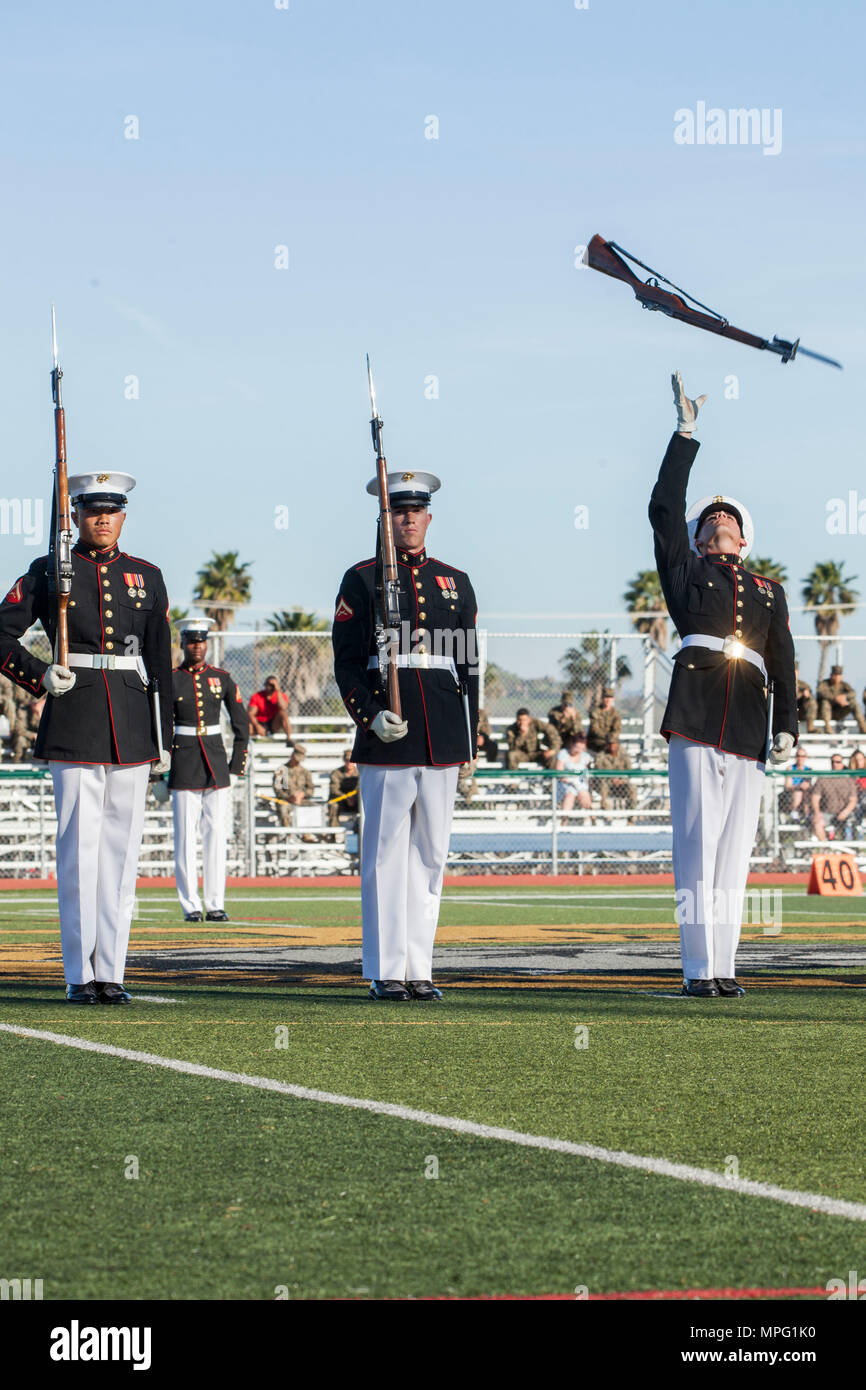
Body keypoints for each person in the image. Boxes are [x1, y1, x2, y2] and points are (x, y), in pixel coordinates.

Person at [649, 372, 797, 998]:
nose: (717, 526)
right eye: (708, 522)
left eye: (726, 521)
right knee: (696, 841)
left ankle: (724, 966)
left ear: (744, 535)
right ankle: (694, 969)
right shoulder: (686, 574)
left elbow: (784, 661)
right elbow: (662, 508)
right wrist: (685, 435)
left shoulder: (769, 590)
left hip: (747, 722)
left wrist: (788, 724)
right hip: (697, 710)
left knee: (735, 850)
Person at [0, 470, 172, 1003]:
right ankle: (79, 973)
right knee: (80, 848)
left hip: (132, 722)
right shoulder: (50, 570)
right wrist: (39, 673)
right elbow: (2, 631)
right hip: (74, 715)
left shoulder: (146, 574)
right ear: (73, 515)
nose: (102, 518)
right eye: (92, 510)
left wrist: (162, 738)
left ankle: (112, 971)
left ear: (123, 516)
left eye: (112, 510)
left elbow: (160, 662)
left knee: (121, 853)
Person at [332, 468, 478, 1002]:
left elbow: (469, 666)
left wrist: (469, 739)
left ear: (429, 518)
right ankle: (385, 967)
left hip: (441, 731)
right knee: (385, 855)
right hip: (388, 735)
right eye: (399, 510)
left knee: (431, 856)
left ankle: (421, 966)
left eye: (416, 510)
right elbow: (346, 664)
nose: (408, 517)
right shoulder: (362, 578)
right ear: (385, 518)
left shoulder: (453, 580)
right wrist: (368, 714)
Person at [168, 618, 249, 923]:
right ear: (183, 644)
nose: (197, 647)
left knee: (216, 835)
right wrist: (160, 769)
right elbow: (162, 726)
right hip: (183, 762)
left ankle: (215, 902)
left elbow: (241, 724)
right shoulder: (172, 679)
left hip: (216, 763)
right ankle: (190, 904)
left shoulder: (222, 678)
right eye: (191, 642)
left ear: (208, 643)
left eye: (201, 641)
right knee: (186, 838)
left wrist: (236, 764)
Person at [811, 754, 857, 841]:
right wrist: (817, 812)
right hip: (827, 813)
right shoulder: (823, 779)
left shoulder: (849, 780)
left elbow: (853, 800)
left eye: (838, 762)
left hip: (844, 814)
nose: (835, 764)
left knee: (850, 823)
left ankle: (848, 850)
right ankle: (826, 847)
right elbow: (815, 798)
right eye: (833, 762)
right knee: (817, 822)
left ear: (842, 764)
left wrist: (846, 812)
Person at [816, 666, 866, 736]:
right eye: (835, 675)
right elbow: (820, 692)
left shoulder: (844, 685)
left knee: (853, 703)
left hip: (840, 711)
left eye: (839, 675)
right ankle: (827, 727)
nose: (837, 677)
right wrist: (835, 698)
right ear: (831, 675)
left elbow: (853, 693)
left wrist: (844, 697)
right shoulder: (824, 684)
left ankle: (863, 727)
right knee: (825, 702)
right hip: (825, 713)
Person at [555, 730, 592, 823]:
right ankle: (564, 820)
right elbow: (559, 772)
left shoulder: (585, 757)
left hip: (580, 783)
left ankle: (593, 819)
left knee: (584, 794)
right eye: (577, 747)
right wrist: (569, 779)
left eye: (581, 748)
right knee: (570, 794)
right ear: (572, 744)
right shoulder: (563, 754)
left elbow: (588, 772)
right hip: (565, 783)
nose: (578, 751)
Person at [273, 745, 313, 826]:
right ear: (292, 756)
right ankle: (288, 834)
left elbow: (310, 789)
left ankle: (307, 834)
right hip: (286, 800)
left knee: (314, 808)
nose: (298, 761)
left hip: (301, 800)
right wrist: (289, 797)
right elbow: (278, 790)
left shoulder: (305, 772)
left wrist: (302, 794)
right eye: (297, 759)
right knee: (283, 809)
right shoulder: (281, 770)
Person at [593, 736, 637, 812]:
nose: (612, 746)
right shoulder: (601, 756)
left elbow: (629, 771)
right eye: (610, 744)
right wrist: (612, 779)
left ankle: (631, 815)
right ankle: (605, 811)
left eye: (614, 743)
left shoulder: (624, 755)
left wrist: (622, 780)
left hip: (621, 784)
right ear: (606, 745)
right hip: (607, 783)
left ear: (618, 744)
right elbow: (598, 770)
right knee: (603, 786)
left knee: (632, 788)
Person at [248, 675, 292, 739]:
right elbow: (250, 714)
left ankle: (289, 740)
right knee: (247, 726)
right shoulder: (257, 696)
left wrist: (278, 691)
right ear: (265, 684)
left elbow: (283, 707)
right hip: (259, 722)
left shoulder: (281, 696)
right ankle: (244, 746)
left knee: (283, 713)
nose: (270, 686)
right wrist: (257, 726)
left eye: (273, 685)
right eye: (269, 684)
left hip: (273, 723)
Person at [782, 744, 813, 822]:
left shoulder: (809, 769)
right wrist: (799, 786)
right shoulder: (790, 768)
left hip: (805, 795)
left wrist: (802, 786)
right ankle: (796, 813)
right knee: (798, 792)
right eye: (798, 756)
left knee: (805, 792)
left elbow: (808, 785)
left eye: (802, 756)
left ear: (806, 757)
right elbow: (787, 786)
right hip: (791, 795)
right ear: (795, 757)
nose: (800, 758)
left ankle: (805, 816)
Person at [328, 748, 359, 826]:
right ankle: (333, 833)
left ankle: (360, 831)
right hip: (341, 800)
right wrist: (346, 798)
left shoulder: (359, 773)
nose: (349, 763)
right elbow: (334, 789)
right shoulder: (336, 773)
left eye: (351, 760)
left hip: (356, 801)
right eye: (347, 760)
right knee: (333, 806)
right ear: (344, 760)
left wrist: (354, 798)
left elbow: (360, 788)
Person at [587, 687, 622, 754]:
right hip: (596, 740)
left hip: (611, 740)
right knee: (606, 748)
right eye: (606, 697)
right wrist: (606, 737)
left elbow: (617, 729)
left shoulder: (615, 713)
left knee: (618, 750)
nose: (608, 700)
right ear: (602, 699)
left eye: (610, 697)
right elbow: (594, 730)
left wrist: (611, 739)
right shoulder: (595, 712)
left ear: (613, 699)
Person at [795, 662, 817, 734]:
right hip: (788, 712)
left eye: (795, 671)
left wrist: (806, 696)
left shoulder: (804, 685)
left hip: (801, 711)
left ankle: (810, 726)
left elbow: (810, 694)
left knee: (811, 700)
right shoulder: (783, 683)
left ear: (798, 672)